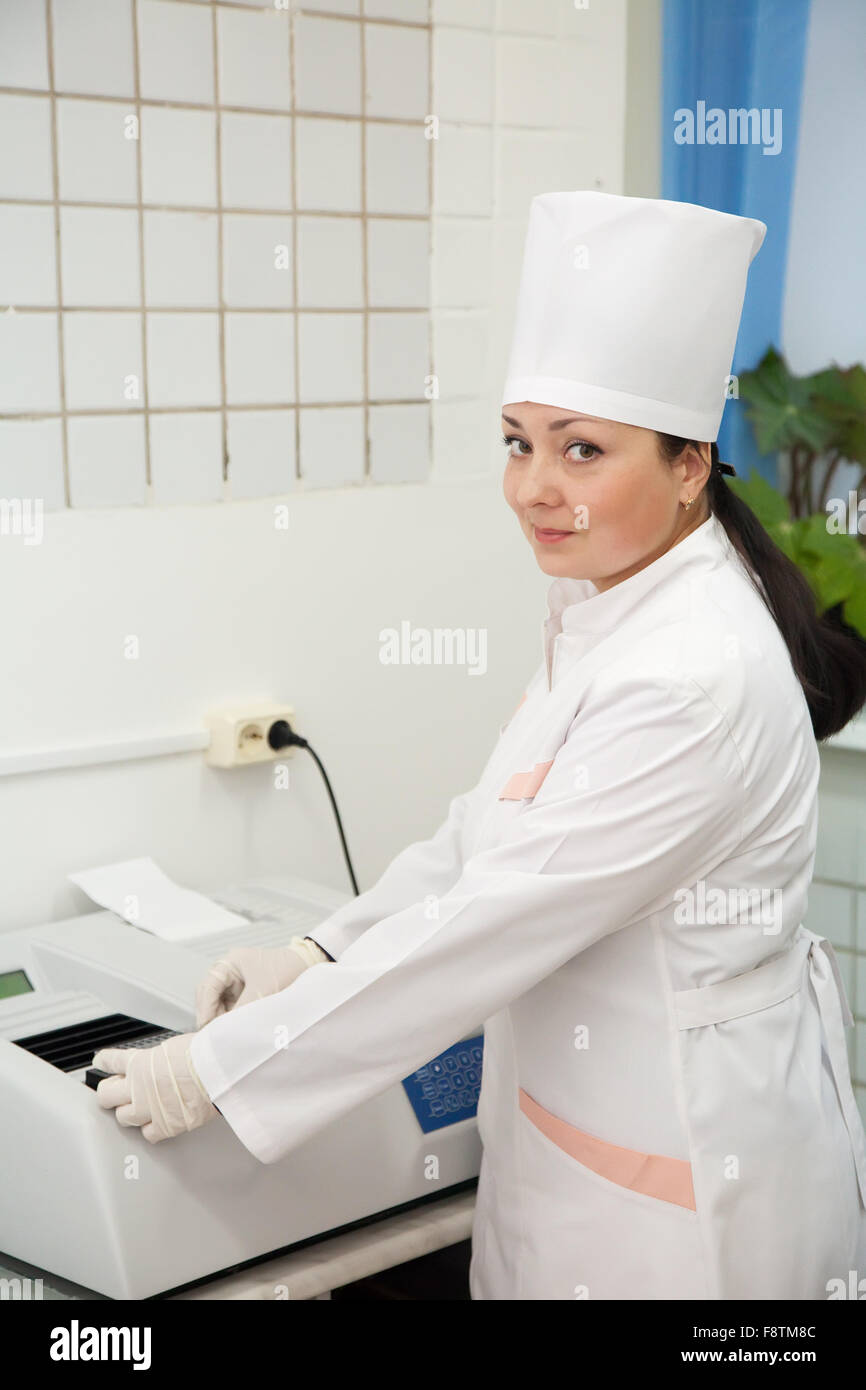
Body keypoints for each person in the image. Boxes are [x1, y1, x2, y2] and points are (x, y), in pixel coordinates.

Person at [93, 191, 866, 1301]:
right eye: (517, 443)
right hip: (576, 1149)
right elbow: (489, 833)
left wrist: (211, 1070)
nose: (533, 489)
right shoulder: (614, 604)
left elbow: (492, 923)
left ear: (689, 464)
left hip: (683, 1207)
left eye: (581, 450)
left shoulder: (689, 676)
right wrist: (316, 952)